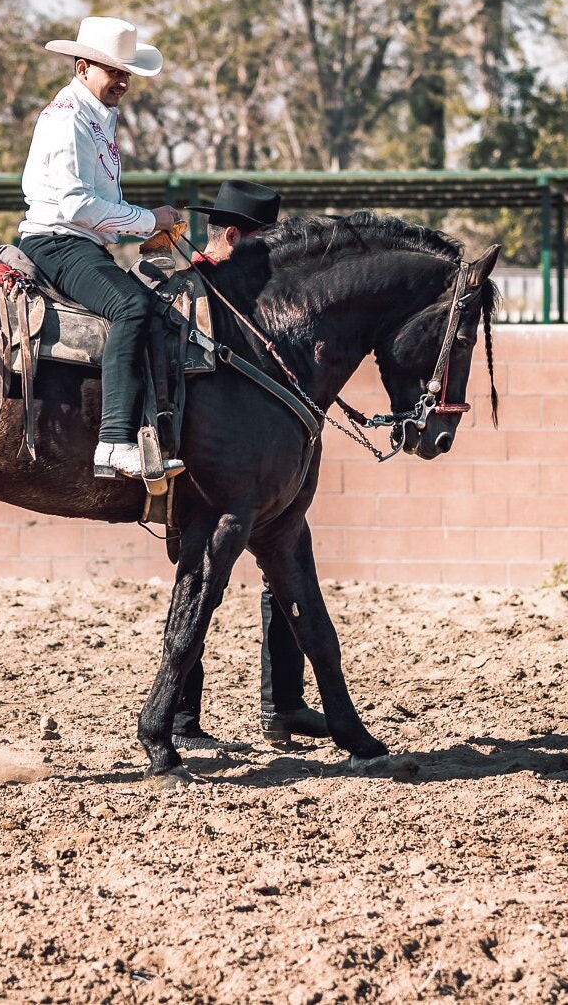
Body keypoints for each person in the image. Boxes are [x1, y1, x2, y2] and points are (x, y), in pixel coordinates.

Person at [172, 179, 331, 747]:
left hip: (255, 459)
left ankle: (284, 704)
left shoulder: (246, 294)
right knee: (201, 575)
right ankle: (185, 719)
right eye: (267, 245)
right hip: (210, 465)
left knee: (284, 565)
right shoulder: (198, 292)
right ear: (235, 237)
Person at [18, 16, 184, 479]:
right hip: (59, 242)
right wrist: (149, 220)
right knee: (132, 307)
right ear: (82, 68)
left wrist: (141, 223)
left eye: (127, 73)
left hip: (79, 243)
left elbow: (99, 204)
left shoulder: (95, 117)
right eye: (114, 71)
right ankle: (112, 442)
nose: (123, 82)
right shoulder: (70, 119)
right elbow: (76, 206)